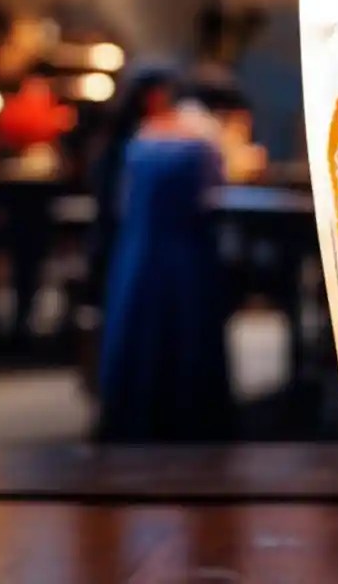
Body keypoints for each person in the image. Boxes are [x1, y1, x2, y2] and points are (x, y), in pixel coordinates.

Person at [93, 67, 234, 441]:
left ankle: (133, 410)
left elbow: (120, 203)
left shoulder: (134, 138)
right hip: (186, 250)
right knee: (186, 331)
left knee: (138, 330)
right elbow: (213, 191)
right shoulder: (201, 136)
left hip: (139, 248)